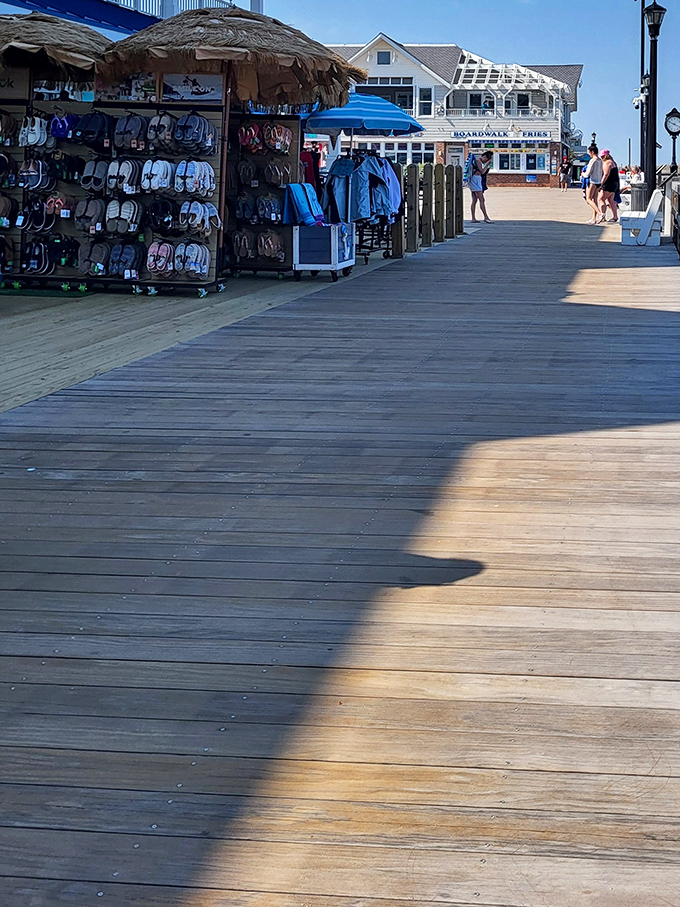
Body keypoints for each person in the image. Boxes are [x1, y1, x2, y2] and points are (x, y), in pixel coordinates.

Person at [582, 144, 603, 224]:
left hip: (592, 182)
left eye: (589, 152)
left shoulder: (592, 160)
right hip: (598, 181)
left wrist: (583, 174)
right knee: (594, 199)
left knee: (589, 199)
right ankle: (594, 218)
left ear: (592, 152)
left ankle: (600, 214)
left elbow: (588, 173)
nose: (589, 154)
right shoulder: (600, 160)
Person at [469, 151, 493, 223]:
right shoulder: (478, 161)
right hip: (475, 180)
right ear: (484, 157)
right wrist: (487, 165)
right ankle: (486, 217)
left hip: (475, 180)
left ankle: (473, 218)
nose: (486, 161)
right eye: (486, 159)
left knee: (474, 200)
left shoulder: (476, 161)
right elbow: (482, 171)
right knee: (481, 199)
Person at [598, 150, 620, 223]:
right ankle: (615, 216)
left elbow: (606, 174)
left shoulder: (607, 163)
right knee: (611, 200)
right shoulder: (613, 162)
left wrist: (601, 183)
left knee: (601, 199)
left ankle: (602, 215)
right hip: (614, 184)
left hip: (608, 184)